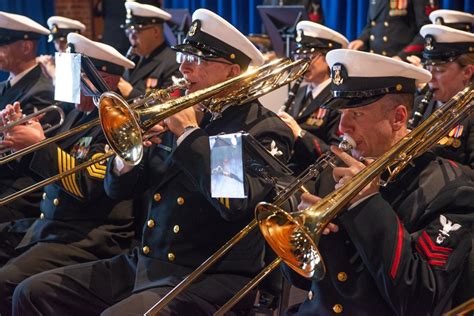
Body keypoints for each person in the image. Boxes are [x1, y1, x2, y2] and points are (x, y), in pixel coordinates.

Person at [12, 9, 294, 315]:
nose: (184, 68)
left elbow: (230, 202)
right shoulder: (186, 111)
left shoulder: (253, 126)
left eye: (197, 60)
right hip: (147, 263)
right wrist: (130, 152)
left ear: (231, 70)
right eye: (185, 57)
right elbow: (117, 189)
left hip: (206, 274)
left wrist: (188, 134)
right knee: (33, 292)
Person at [281, 49, 473, 315]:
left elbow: (419, 299)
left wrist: (366, 204)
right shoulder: (334, 171)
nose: (341, 128)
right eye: (341, 114)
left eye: (356, 115)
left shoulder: (451, 189)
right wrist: (304, 238)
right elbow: (301, 280)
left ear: (398, 118)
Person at [0, 33, 136, 315]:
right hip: (51, 227)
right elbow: (43, 172)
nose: (66, 84)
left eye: (75, 75)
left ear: (105, 81)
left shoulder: (119, 124)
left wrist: (39, 145)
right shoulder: (78, 112)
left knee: (5, 282)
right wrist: (17, 139)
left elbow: (86, 185)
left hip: (88, 238)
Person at [0, 11, 55, 223]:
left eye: (3, 43)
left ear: (26, 47)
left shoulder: (41, 91)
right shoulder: (6, 86)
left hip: (21, 188)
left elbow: (26, 159)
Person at [279, 20, 346, 174]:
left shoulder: (338, 98)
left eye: (310, 56)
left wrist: (299, 134)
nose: (303, 63)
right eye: (300, 56)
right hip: (289, 170)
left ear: (328, 59)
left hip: (315, 178)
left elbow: (337, 156)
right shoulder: (300, 93)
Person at [416, 24, 474, 179]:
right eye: (428, 68)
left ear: (467, 72)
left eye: (440, 70)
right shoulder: (419, 104)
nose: (430, 78)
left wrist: (426, 160)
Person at [118, 1, 181, 99]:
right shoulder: (133, 59)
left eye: (136, 31)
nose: (132, 37)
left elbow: (169, 106)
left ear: (155, 31)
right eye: (129, 31)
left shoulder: (174, 63)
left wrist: (131, 93)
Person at [348, 0, 437, 60]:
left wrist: (403, 57)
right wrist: (362, 40)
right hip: (377, 61)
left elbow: (427, 31)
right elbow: (373, 24)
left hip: (404, 63)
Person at [36, 16, 86, 82]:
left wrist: (53, 73)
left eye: (63, 42)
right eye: (56, 42)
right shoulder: (58, 61)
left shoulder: (83, 64)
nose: (59, 47)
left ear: (75, 41)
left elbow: (69, 89)